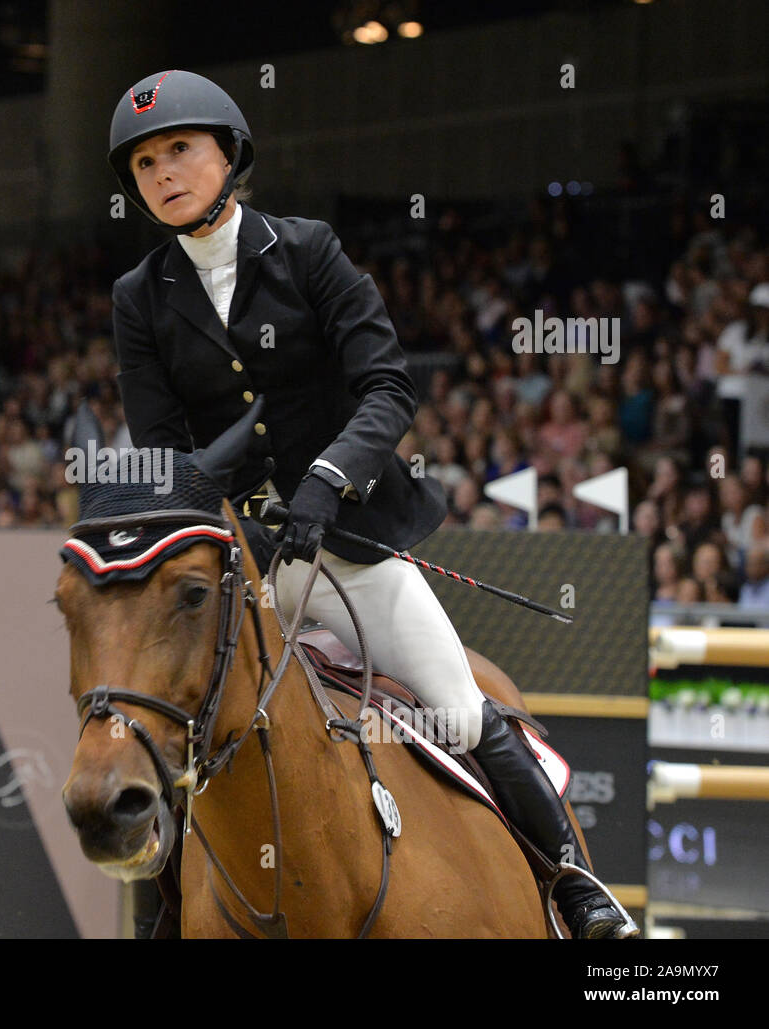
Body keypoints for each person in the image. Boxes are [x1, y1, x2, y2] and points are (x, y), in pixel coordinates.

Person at [107, 68, 635, 939]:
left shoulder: (308, 250)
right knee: (168, 744)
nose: (163, 172)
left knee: (459, 709)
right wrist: (227, 486)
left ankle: (580, 890)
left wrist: (328, 479)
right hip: (246, 568)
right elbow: (164, 449)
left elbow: (386, 385)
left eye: (179, 150)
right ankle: (164, 922)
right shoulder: (140, 298)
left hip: (351, 543)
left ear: (228, 154)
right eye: (145, 164)